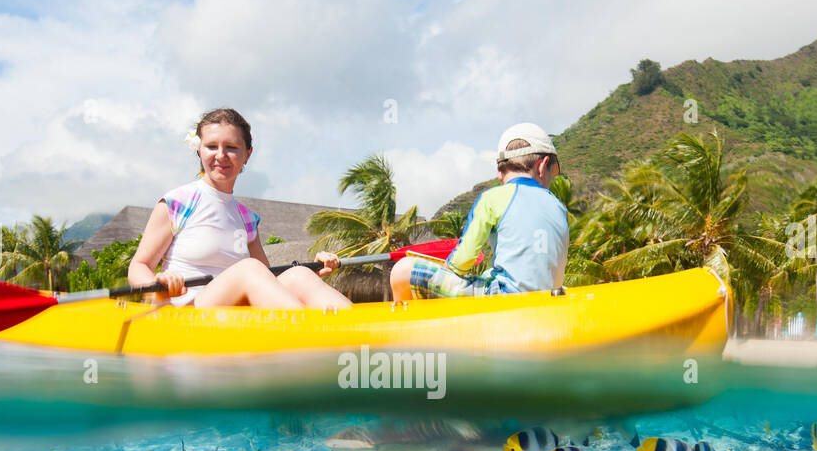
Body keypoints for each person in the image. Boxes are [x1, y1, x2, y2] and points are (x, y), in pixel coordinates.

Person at [128, 108, 351, 308]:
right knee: (248, 269)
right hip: (187, 310)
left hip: (234, 313)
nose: (221, 155)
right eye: (211, 146)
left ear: (247, 154)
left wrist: (313, 270)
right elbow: (139, 265)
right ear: (199, 150)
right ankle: (308, 334)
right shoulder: (177, 202)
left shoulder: (247, 219)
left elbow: (268, 278)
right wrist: (156, 283)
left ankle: (352, 334)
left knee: (299, 275)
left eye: (231, 147)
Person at [390, 123, 569, 301]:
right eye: (553, 171)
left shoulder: (492, 198)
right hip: (548, 299)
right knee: (488, 272)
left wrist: (446, 270)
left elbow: (464, 260)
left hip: (503, 297)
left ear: (500, 173)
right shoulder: (559, 206)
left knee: (402, 270)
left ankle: (405, 322)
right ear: (543, 165)